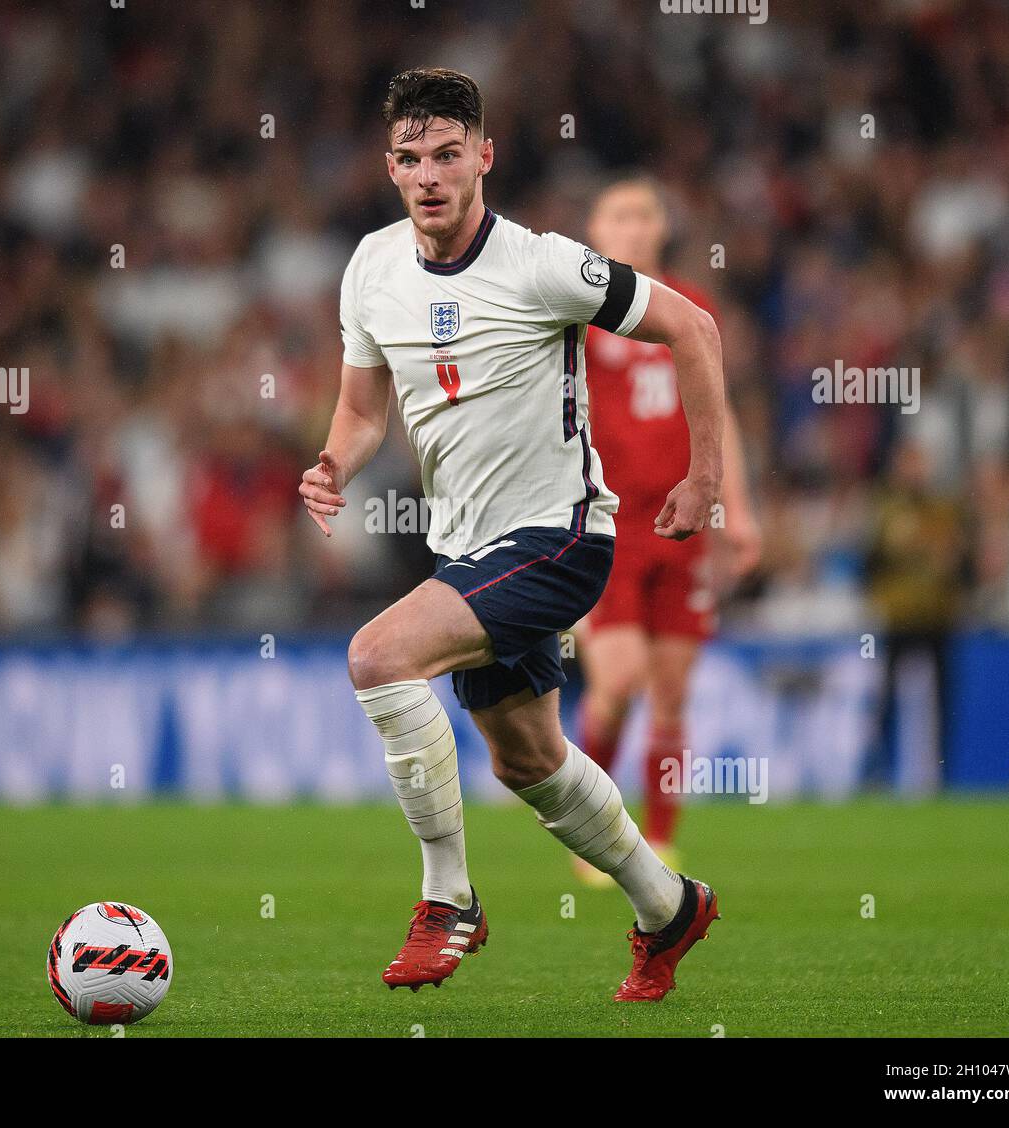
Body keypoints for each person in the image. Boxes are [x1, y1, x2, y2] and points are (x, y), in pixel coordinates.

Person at [299, 70, 725, 1001]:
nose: (429, 176)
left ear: (484, 157)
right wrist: (334, 462)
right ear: (389, 167)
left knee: (378, 659)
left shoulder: (543, 265)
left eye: (448, 154)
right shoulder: (372, 268)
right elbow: (362, 412)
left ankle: (448, 901)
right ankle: (669, 906)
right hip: (470, 553)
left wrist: (706, 478)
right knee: (528, 759)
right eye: (410, 159)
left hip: (563, 537)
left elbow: (693, 327)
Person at [576, 177, 761, 883]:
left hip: (683, 525)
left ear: (661, 229)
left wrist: (735, 509)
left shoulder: (689, 310)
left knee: (673, 692)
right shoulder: (575, 314)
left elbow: (721, 417)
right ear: (595, 230)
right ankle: (592, 828)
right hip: (608, 523)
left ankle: (659, 841)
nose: (631, 226)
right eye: (617, 214)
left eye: (644, 214)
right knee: (619, 680)